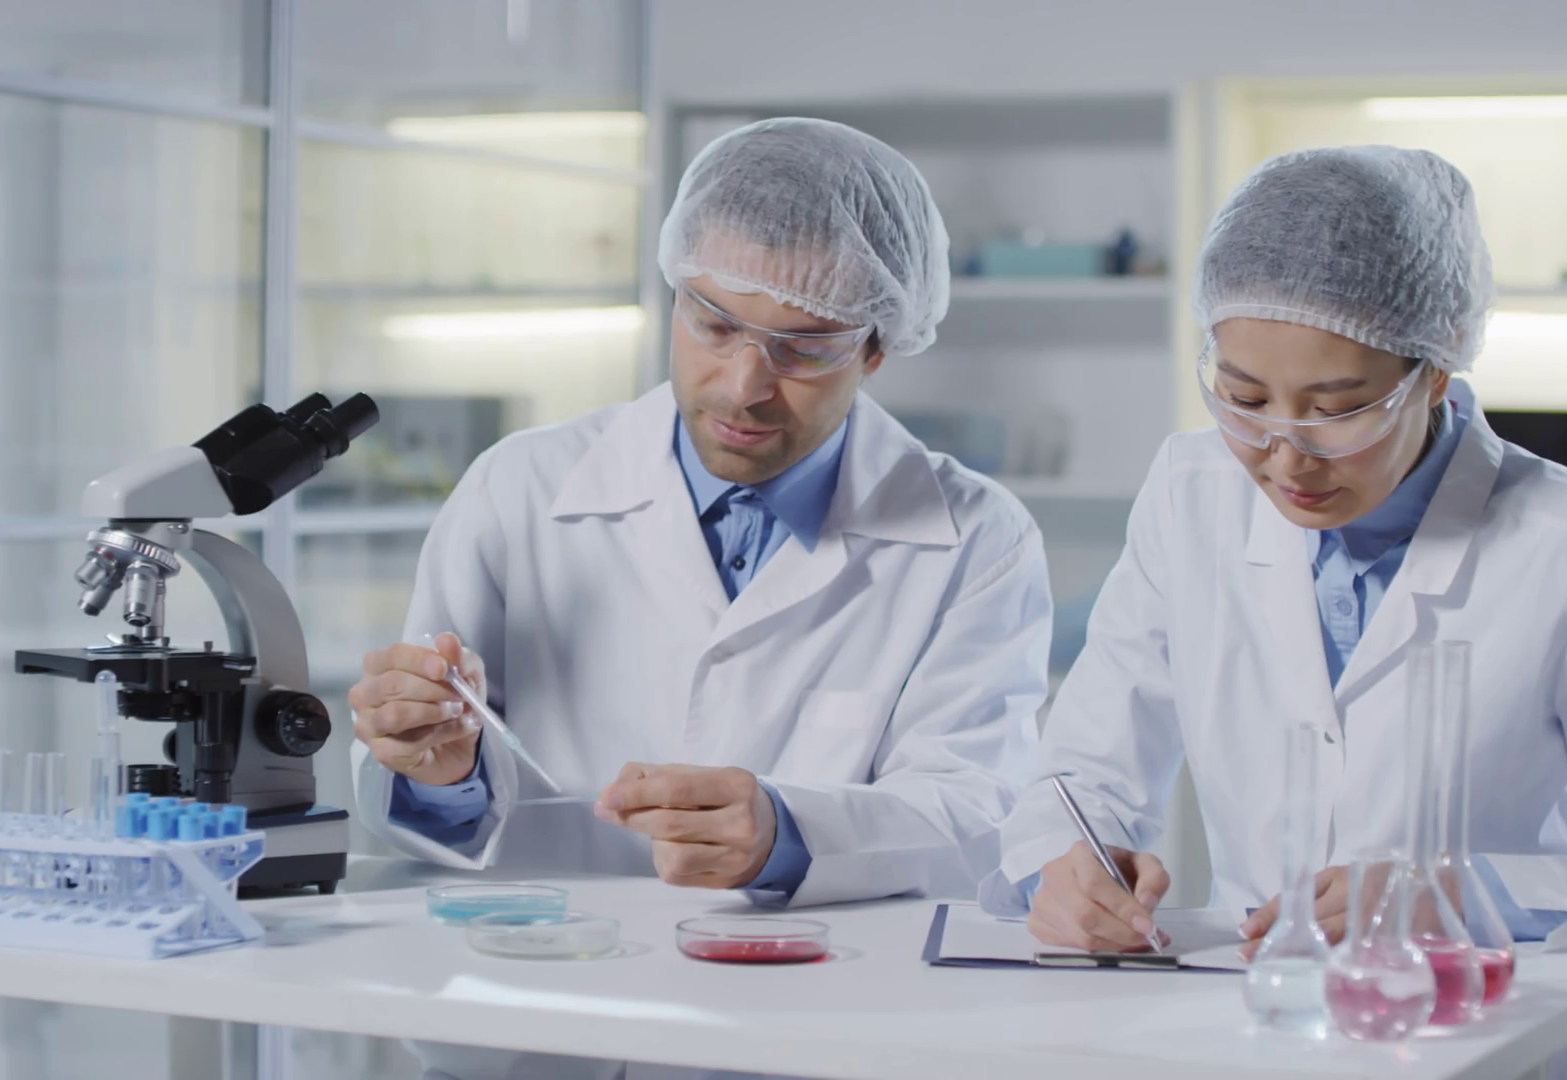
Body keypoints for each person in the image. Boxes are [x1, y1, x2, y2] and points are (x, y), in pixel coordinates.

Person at [987, 145, 1567, 1080]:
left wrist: (1465, 897)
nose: (1285, 458)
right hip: (1257, 1040)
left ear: (1436, 371)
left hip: (1517, 1055)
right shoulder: (1189, 493)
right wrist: (1062, 870)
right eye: (1242, 400)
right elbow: (1081, 775)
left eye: (1337, 410)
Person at [347, 116, 1050, 1079]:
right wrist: (436, 764)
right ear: (676, 295)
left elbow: (977, 815)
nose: (744, 385)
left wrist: (789, 836)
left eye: (803, 350)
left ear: (878, 347)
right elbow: (440, 808)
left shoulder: (975, 536)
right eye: (714, 323)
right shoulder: (520, 489)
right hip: (539, 1032)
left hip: (809, 1039)